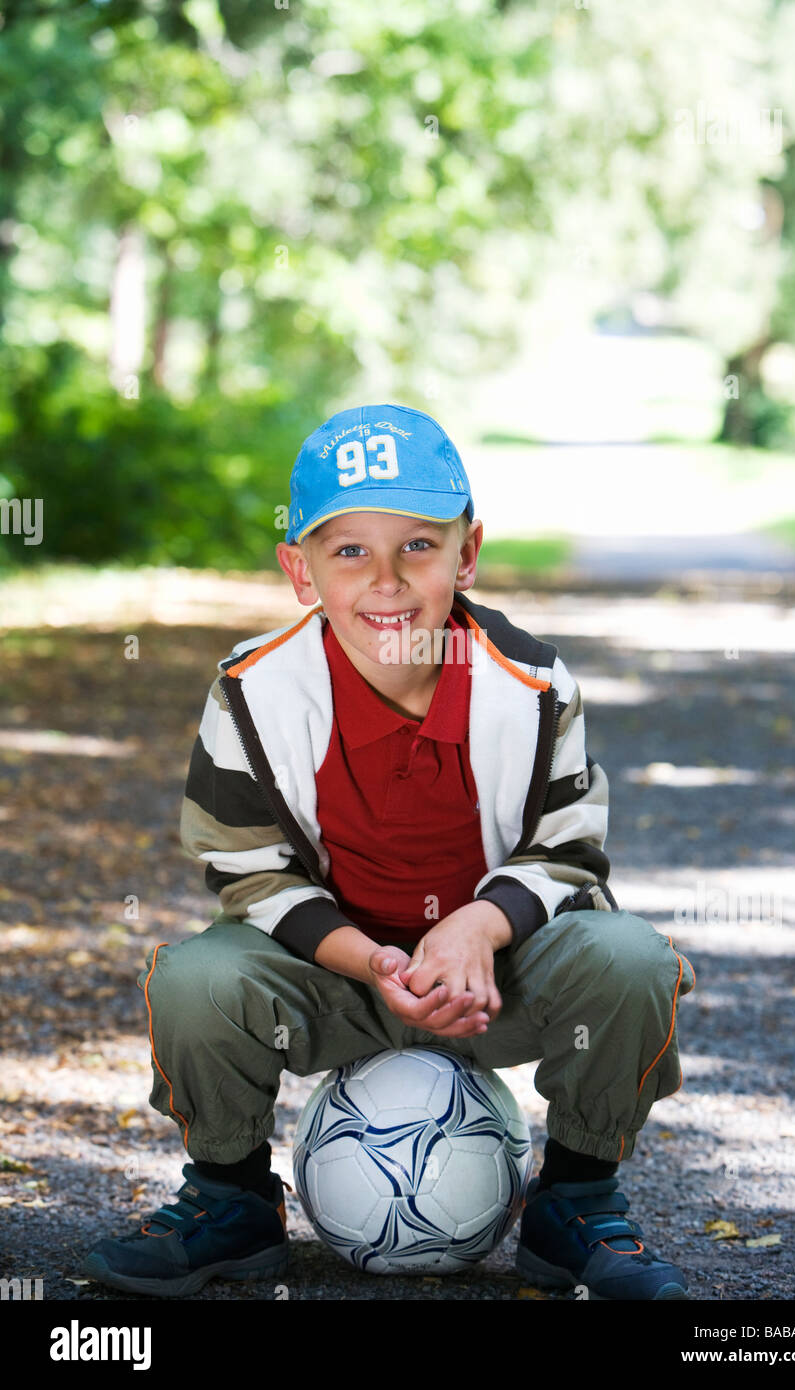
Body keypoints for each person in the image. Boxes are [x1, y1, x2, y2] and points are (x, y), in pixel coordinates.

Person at [82, 403, 696, 1300]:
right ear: (301, 570)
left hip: (498, 977)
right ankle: (231, 1199)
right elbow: (248, 871)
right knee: (194, 979)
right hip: (334, 976)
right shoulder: (252, 694)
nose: (387, 581)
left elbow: (567, 851)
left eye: (417, 546)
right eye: (349, 552)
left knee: (631, 958)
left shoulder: (529, 685)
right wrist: (369, 959)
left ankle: (576, 1200)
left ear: (468, 553)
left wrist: (479, 930)